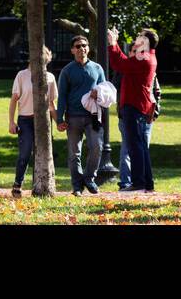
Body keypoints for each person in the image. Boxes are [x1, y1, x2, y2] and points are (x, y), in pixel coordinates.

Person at [108, 27, 158, 192]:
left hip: (134, 105)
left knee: (135, 146)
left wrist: (113, 43)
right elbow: (125, 63)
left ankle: (138, 184)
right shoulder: (148, 55)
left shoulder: (143, 56)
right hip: (139, 105)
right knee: (141, 145)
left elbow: (119, 64)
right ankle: (147, 183)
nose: (136, 39)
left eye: (139, 37)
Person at [55, 35, 106, 195]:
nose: (81, 48)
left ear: (88, 48)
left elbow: (106, 90)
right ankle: (77, 186)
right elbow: (61, 96)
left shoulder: (97, 68)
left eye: (84, 45)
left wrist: (98, 94)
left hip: (93, 116)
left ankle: (89, 179)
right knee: (74, 153)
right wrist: (59, 119)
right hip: (73, 117)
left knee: (97, 147)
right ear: (72, 50)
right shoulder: (67, 71)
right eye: (77, 46)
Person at [9, 48, 57, 197]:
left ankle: (41, 184)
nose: (44, 58)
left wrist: (59, 122)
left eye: (46, 56)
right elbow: (14, 100)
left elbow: (51, 103)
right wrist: (11, 121)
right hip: (25, 119)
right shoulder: (22, 76)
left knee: (43, 153)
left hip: (43, 121)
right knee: (25, 153)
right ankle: (18, 182)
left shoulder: (50, 77)